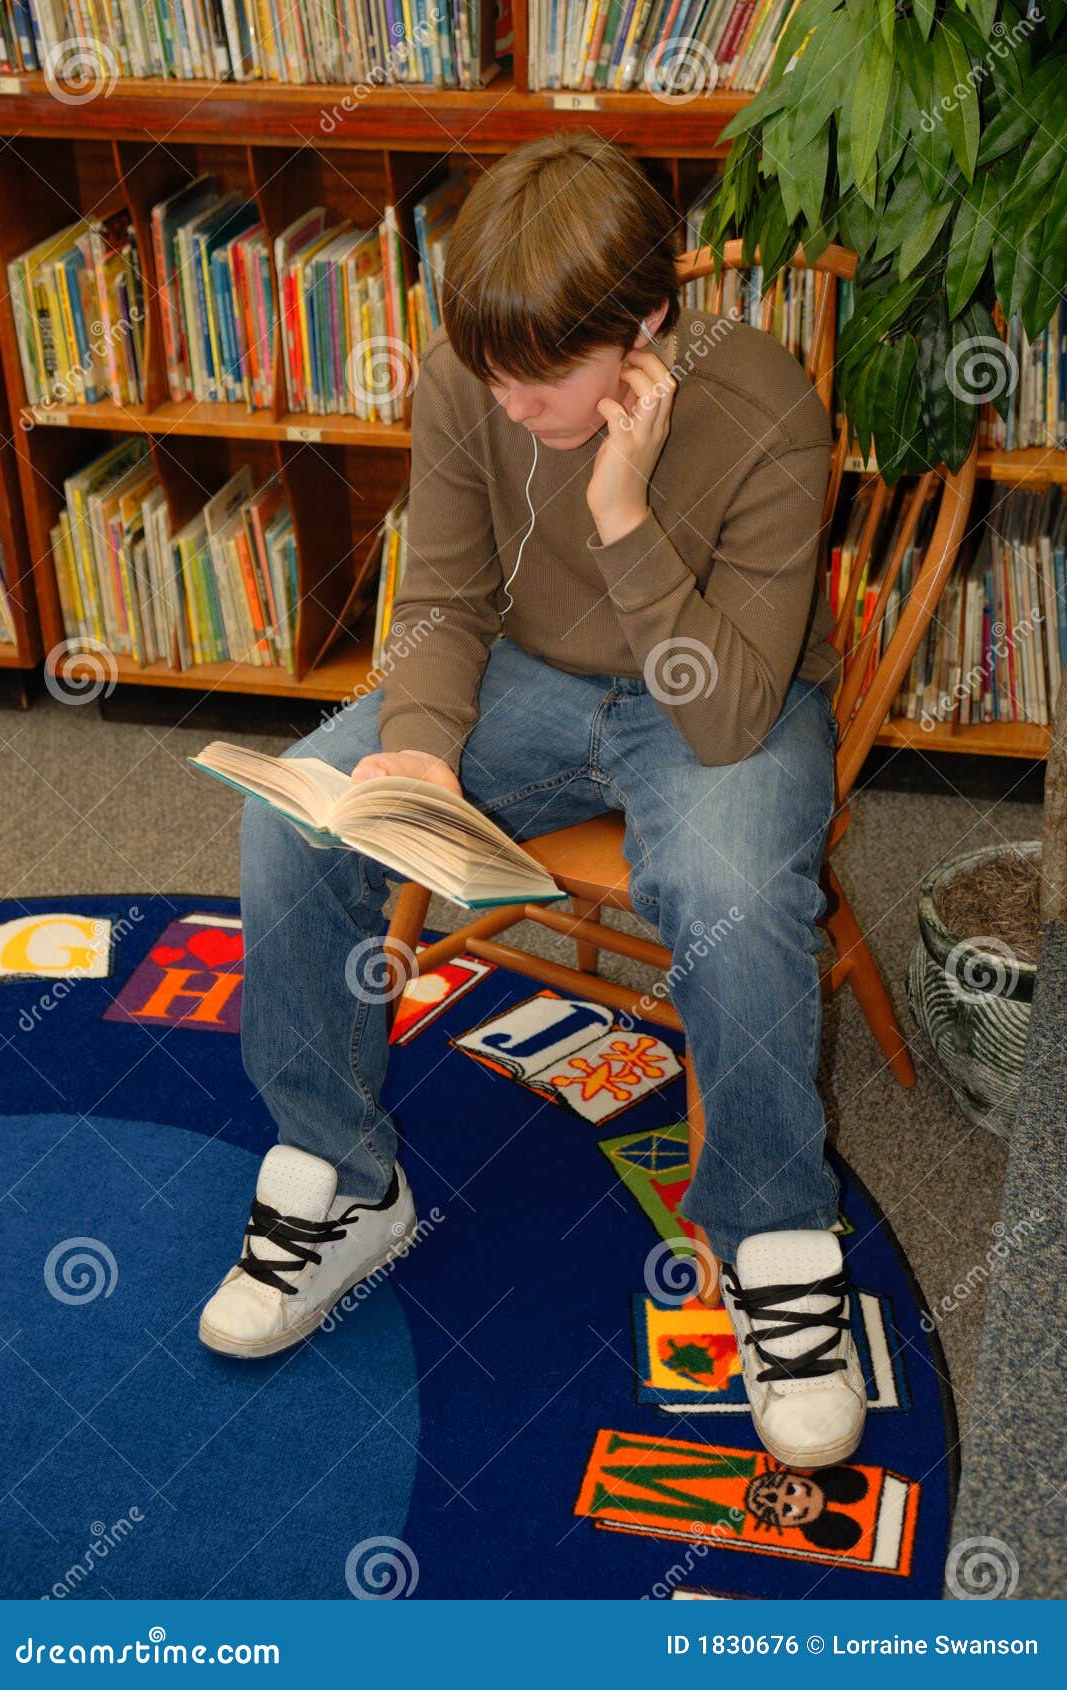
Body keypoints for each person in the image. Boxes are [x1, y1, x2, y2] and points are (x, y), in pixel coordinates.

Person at [199, 131, 867, 1470]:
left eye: (540, 377)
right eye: (487, 370)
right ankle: (344, 1179)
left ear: (647, 327)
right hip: (529, 679)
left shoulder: (764, 409)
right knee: (298, 812)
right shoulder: (477, 374)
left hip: (719, 692)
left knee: (734, 895)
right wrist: (429, 750)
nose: (505, 403)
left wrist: (622, 516)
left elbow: (728, 708)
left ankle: (776, 1241)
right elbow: (445, 599)